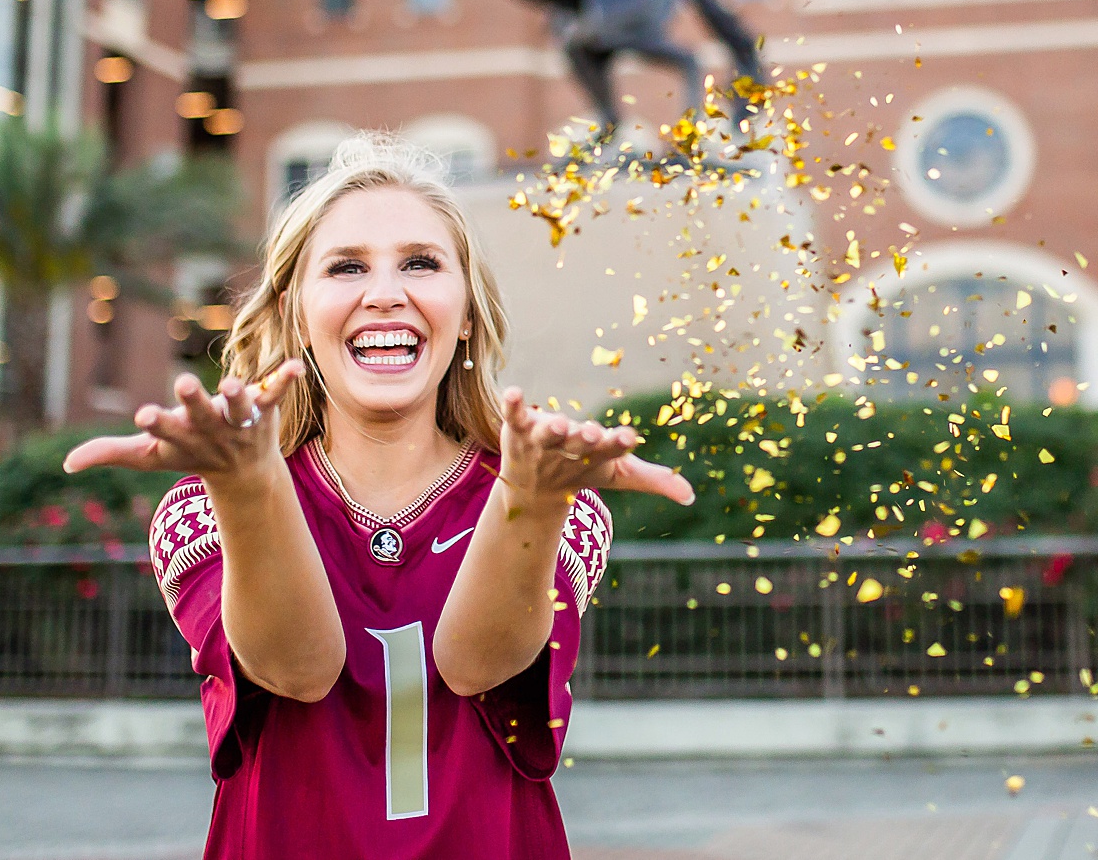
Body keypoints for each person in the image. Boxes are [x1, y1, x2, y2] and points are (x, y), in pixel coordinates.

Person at [65, 135, 692, 858]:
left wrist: (529, 497)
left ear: (466, 317)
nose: (386, 291)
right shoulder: (205, 505)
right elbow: (296, 667)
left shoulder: (559, 498)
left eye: (421, 263)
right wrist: (246, 484)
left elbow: (477, 663)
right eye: (347, 266)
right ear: (298, 313)